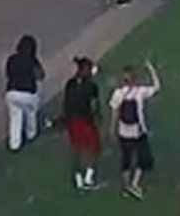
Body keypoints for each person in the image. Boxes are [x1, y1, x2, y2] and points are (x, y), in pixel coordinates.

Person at [109, 61, 162, 198]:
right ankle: (134, 183)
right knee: (143, 158)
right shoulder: (140, 92)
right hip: (138, 131)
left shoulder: (117, 94)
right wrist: (151, 68)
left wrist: (112, 129)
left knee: (126, 159)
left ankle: (127, 187)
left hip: (123, 132)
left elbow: (115, 113)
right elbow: (156, 86)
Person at [60, 57, 103, 191]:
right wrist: (98, 117)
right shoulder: (91, 86)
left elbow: (66, 103)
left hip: (72, 120)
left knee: (76, 148)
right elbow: (95, 104)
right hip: (85, 120)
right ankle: (88, 178)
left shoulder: (70, 83)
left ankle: (78, 177)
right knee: (93, 148)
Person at [2, 34, 45, 155]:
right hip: (28, 94)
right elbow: (41, 75)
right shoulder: (32, 60)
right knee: (31, 112)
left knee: (15, 117)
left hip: (12, 93)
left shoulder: (11, 59)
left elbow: (8, 74)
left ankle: (14, 143)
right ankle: (31, 134)